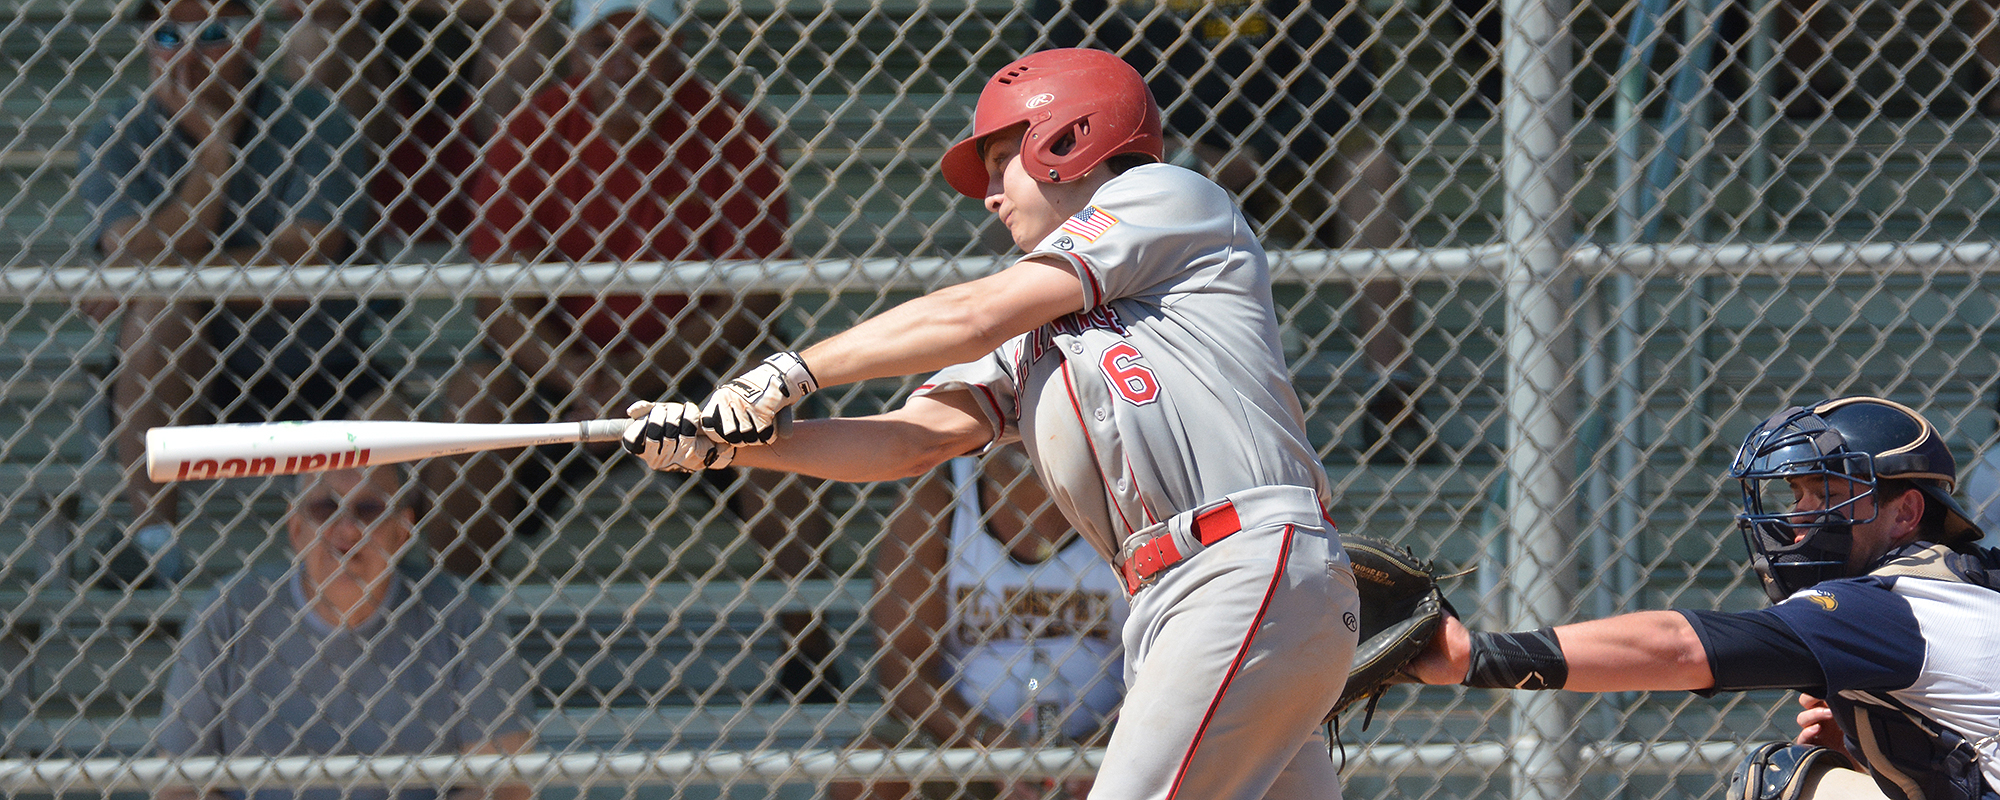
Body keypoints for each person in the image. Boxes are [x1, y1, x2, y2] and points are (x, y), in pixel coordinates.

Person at [623, 48, 1359, 800]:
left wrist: (785, 372)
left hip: (1236, 569)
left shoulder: (1169, 196)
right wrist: (736, 446)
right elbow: (911, 441)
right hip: (1187, 595)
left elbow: (974, 313)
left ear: (1068, 140)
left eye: (1002, 159)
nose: (989, 196)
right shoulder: (1033, 328)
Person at [440, 0, 837, 697]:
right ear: (574, 53)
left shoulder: (728, 127)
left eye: (646, 40)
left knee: (774, 401)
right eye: (603, 42)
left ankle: (808, 644)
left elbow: (753, 297)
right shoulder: (532, 130)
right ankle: (438, 638)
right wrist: (581, 375)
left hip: (695, 365)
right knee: (474, 398)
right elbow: (495, 299)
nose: (625, 61)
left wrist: (641, 374)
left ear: (677, 48)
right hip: (560, 365)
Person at [1406, 396, 2000, 800]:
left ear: (1907, 512)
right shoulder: (1971, 579)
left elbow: (1680, 646)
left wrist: (1474, 656)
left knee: (1781, 780)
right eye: (1795, 494)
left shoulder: (1890, 605)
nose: (1797, 520)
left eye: (1824, 493)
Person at [1035, 0, 1426, 462]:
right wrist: (1153, 147)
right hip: (1151, 155)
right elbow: (1053, 64)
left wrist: (1263, 151)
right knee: (1035, 192)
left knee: (1371, 168)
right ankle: (1048, 380)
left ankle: (1391, 395)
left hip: (1295, 158)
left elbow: (1348, 75)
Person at [77, 0, 381, 588]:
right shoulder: (119, 132)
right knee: (164, 310)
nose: (187, 55)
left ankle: (384, 592)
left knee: (393, 422)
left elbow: (299, 267)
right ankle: (153, 545)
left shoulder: (315, 116)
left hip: (316, 363)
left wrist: (157, 271)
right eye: (167, 35)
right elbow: (129, 247)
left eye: (212, 33)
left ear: (255, 35)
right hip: (183, 375)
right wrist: (214, 149)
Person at [154, 466, 534, 800]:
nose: (347, 528)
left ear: (402, 532)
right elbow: (176, 786)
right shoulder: (229, 612)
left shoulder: (462, 616)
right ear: (297, 529)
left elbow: (505, 786)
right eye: (325, 508)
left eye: (369, 509)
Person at [835, 450, 1126, 800]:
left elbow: (1172, 653)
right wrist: (987, 743)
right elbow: (903, 669)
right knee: (863, 771)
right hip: (967, 746)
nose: (1025, 431)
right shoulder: (941, 494)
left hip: (1111, 743)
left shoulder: (1125, 494)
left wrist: (1108, 745)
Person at [275, 0, 553, 249]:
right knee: (315, 38)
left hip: (483, 135)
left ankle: (510, 243)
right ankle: (348, 249)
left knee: (523, 38)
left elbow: (530, 5)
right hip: (382, 133)